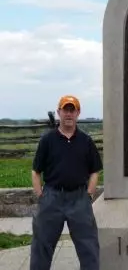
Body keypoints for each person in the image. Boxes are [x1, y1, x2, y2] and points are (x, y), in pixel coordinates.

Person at [30, 95, 103, 270]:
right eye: (65, 110)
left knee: (89, 247)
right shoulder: (48, 140)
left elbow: (94, 171)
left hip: (79, 199)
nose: (69, 114)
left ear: (78, 113)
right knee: (42, 246)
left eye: (72, 110)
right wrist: (41, 194)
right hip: (51, 198)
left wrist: (89, 194)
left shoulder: (86, 141)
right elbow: (36, 171)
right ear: (59, 112)